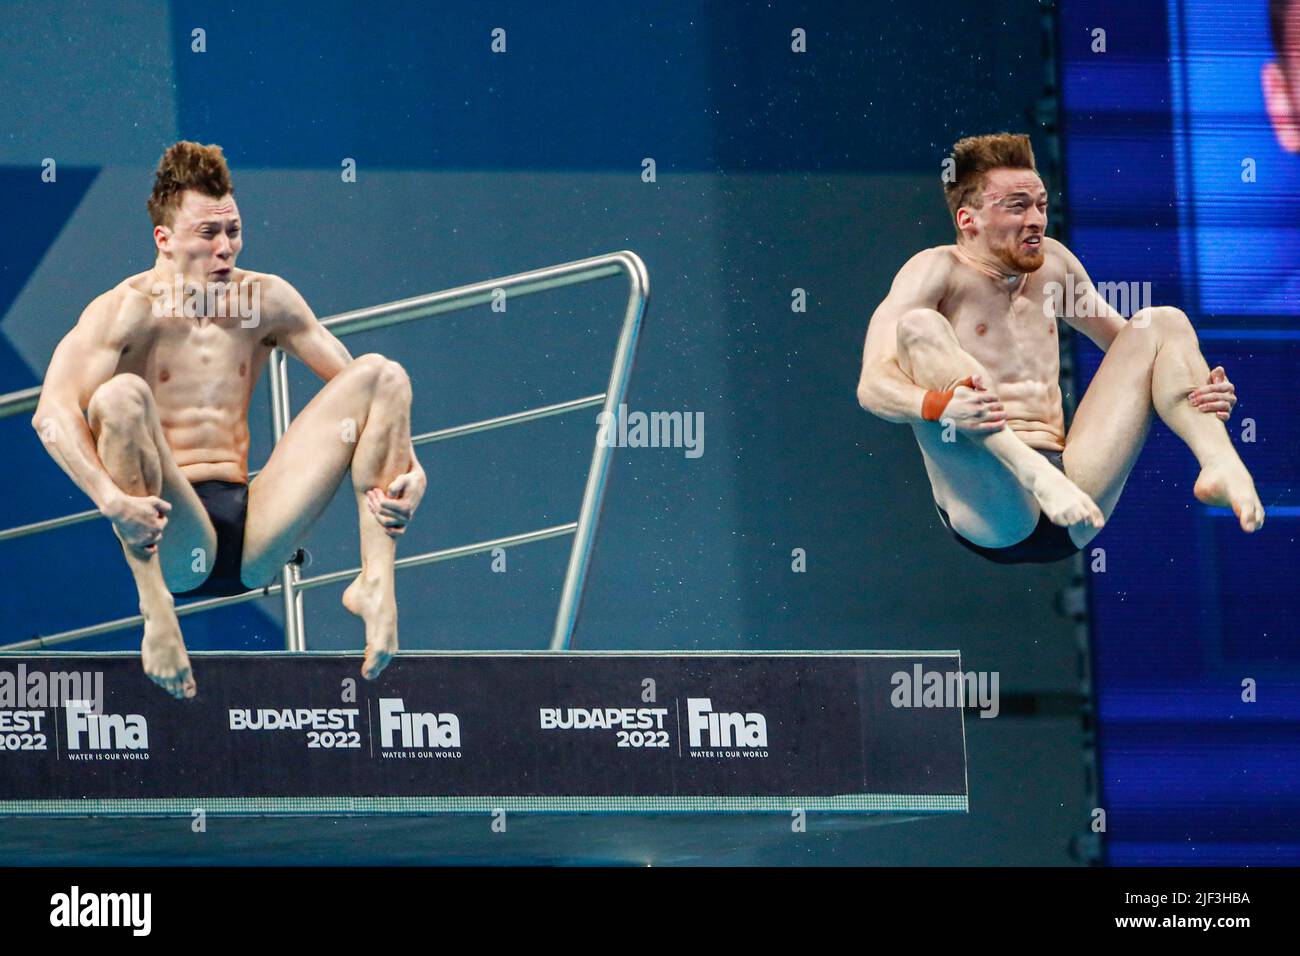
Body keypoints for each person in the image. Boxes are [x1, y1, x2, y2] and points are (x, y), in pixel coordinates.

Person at [30, 141, 426, 698]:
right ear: (164, 240)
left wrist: (415, 475)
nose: (226, 250)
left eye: (233, 232)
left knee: (383, 374)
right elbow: (51, 415)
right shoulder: (124, 311)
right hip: (171, 529)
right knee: (118, 398)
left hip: (257, 530)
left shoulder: (265, 299)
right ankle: (156, 614)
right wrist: (110, 501)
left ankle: (376, 583)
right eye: (207, 235)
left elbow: (371, 408)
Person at [856, 133, 1263, 565]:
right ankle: (1026, 468)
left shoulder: (1054, 265)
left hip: (1074, 493)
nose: (1036, 220)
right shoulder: (934, 272)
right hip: (994, 509)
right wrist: (941, 407)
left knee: (1161, 323)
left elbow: (1143, 352)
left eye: (1041, 205)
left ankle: (1221, 463)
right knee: (920, 327)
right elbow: (872, 386)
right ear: (968, 219)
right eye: (1017, 206)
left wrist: (1200, 388)